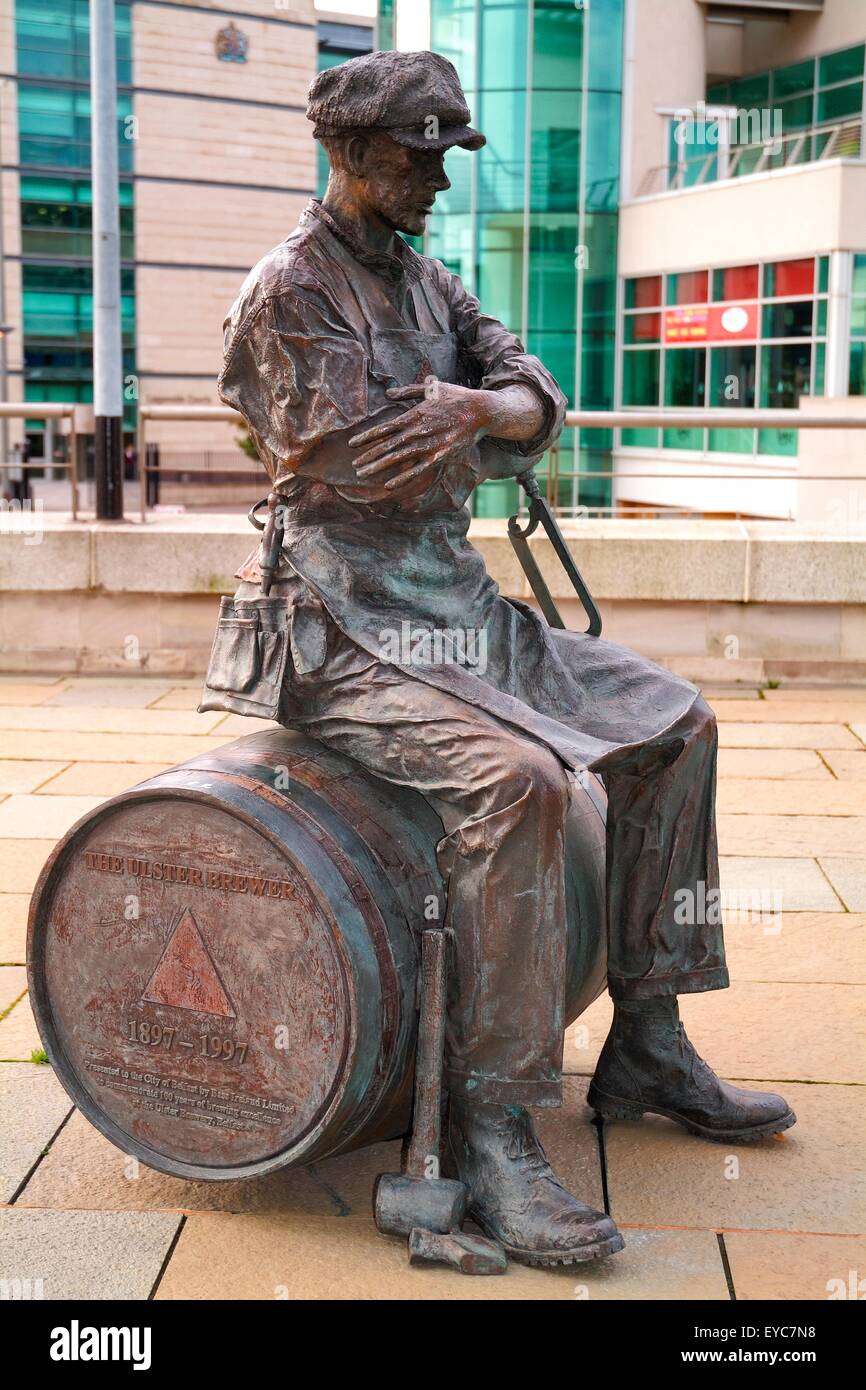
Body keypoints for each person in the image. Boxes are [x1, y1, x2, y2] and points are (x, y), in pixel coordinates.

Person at [207, 50, 794, 1269]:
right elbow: (357, 459)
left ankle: (646, 1033)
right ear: (350, 150)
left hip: (460, 613)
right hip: (342, 629)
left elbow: (533, 391)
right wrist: (475, 421)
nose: (436, 179)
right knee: (512, 785)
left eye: (444, 154)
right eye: (417, 155)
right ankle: (492, 1126)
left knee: (675, 720)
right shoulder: (288, 291)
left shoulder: (432, 283)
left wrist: (478, 409)